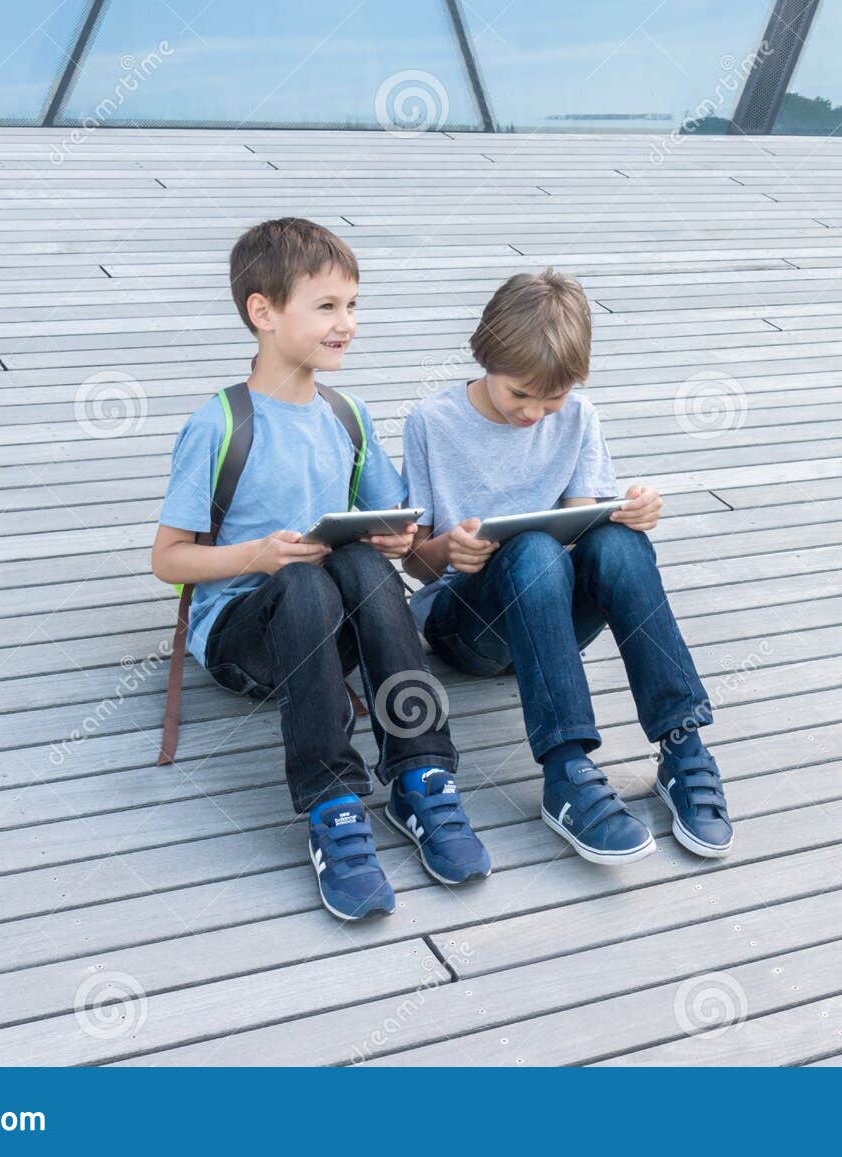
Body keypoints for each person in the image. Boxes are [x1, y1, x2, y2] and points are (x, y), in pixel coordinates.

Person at [152, 218, 489, 922]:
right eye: (328, 307)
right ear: (264, 312)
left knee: (362, 559)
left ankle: (419, 773)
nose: (349, 325)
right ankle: (333, 805)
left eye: (354, 306)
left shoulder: (348, 415)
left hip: (327, 628)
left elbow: (397, 522)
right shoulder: (220, 424)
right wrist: (258, 556)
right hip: (243, 637)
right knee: (301, 577)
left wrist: (404, 539)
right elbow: (169, 559)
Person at [403, 269, 732, 865]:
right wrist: (451, 550)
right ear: (486, 359)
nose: (534, 413)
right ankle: (566, 770)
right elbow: (416, 564)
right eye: (519, 394)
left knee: (619, 546)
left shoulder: (578, 416)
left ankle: (682, 746)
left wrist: (629, 513)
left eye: (550, 399)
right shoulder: (432, 421)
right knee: (529, 548)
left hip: (549, 613)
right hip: (467, 625)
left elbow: (583, 528)